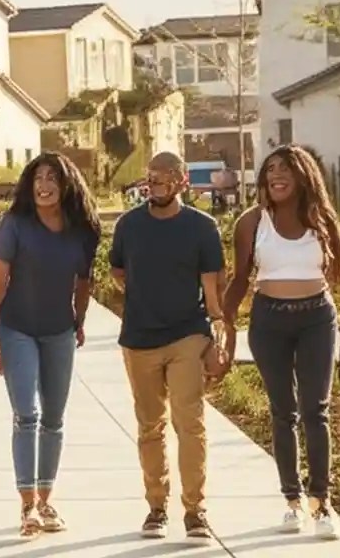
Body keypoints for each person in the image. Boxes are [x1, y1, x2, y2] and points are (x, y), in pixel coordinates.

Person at [221, 145, 340, 540]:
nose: (276, 174)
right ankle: (292, 502)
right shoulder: (252, 221)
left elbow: (339, 272)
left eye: (285, 169)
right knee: (283, 412)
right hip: (269, 321)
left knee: (316, 410)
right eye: (270, 168)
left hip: (316, 319)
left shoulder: (322, 218)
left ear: (302, 175)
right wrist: (223, 324)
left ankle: (322, 504)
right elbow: (240, 278)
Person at [0, 151, 101, 540]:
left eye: (53, 178)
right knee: (27, 414)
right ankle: (27, 505)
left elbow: (84, 282)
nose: (44, 185)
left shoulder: (80, 230)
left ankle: (47, 500)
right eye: (38, 178)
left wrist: (79, 321)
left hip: (59, 331)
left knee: (54, 417)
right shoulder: (14, 225)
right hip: (17, 329)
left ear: (66, 185)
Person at [109, 152, 226, 542]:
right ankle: (156, 507)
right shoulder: (129, 225)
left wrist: (218, 336)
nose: (155, 183)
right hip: (139, 338)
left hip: (187, 335)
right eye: (151, 177)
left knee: (189, 421)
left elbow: (212, 292)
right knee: (149, 426)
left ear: (182, 181)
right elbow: (119, 272)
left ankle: (195, 510)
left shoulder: (202, 227)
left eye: (164, 177)